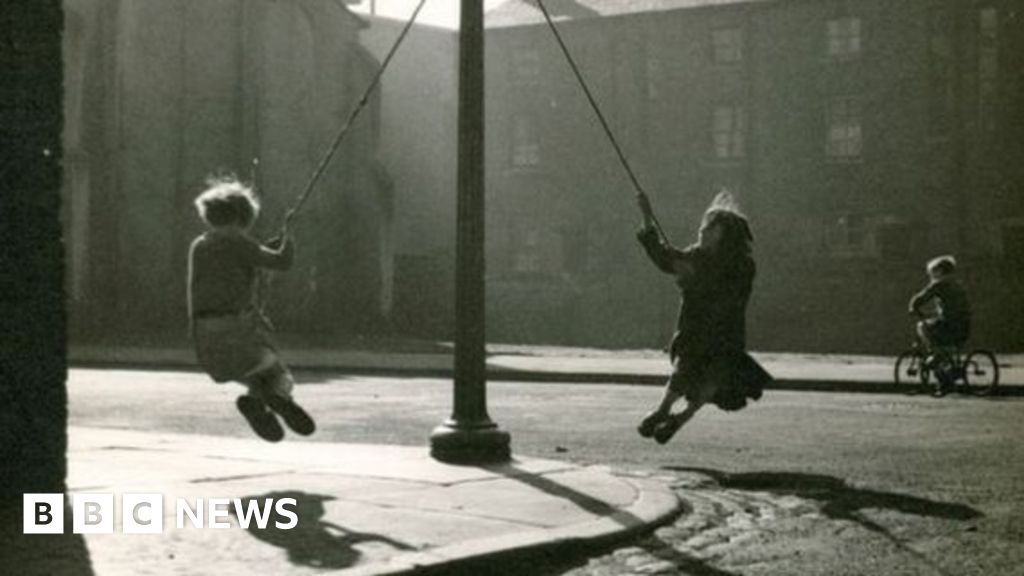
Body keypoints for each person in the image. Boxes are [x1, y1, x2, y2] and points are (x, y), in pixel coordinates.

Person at [634, 191, 772, 444]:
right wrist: (647, 216)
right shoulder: (698, 256)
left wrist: (693, 280)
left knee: (712, 377)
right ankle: (664, 411)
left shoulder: (742, 264)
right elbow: (664, 257)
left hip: (723, 331)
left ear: (723, 233)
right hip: (695, 328)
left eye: (708, 227)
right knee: (685, 369)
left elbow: (728, 295)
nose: (701, 231)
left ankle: (679, 417)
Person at [187, 176, 315, 442]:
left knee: (256, 376)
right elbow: (282, 262)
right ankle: (271, 399)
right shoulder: (240, 243)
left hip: (204, 335)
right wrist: (289, 233)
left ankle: (257, 402)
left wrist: (258, 252)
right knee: (278, 375)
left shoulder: (199, 245)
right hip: (236, 329)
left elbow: (230, 269)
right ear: (242, 216)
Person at [908, 255, 971, 367]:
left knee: (922, 326)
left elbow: (922, 297)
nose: (931, 276)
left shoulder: (939, 285)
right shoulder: (957, 285)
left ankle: (935, 354)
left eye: (933, 272)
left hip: (948, 326)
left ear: (940, 271)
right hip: (964, 327)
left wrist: (913, 306)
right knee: (940, 332)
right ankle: (946, 365)